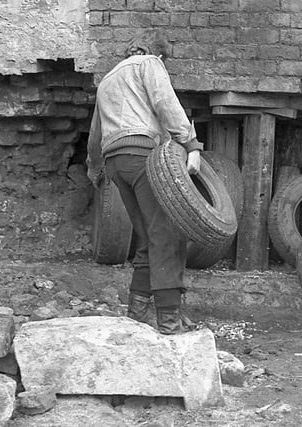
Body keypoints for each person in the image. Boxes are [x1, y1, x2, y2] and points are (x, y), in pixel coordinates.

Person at [86, 30, 203, 335]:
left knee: (148, 236)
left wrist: (95, 169)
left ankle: (137, 313)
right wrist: (190, 144)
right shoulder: (149, 64)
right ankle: (168, 319)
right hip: (141, 155)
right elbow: (166, 103)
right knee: (167, 232)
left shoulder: (108, 79)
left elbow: (95, 134)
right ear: (159, 54)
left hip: (115, 163)